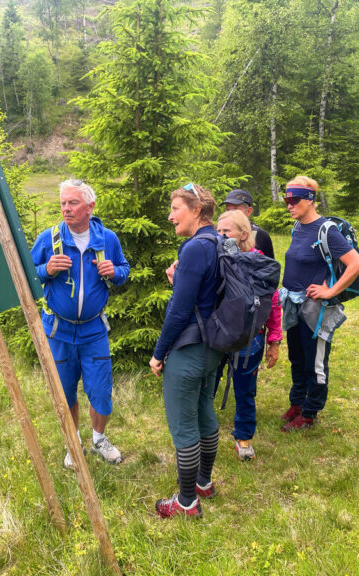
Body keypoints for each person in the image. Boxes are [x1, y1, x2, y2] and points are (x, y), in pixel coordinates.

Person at [31, 179, 130, 468]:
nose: (66, 208)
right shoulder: (49, 239)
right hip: (58, 331)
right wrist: (46, 269)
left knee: (100, 391)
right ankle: (73, 444)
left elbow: (124, 269)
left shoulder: (107, 239)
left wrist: (115, 272)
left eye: (72, 203)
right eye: (63, 203)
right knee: (65, 392)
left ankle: (99, 440)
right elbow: (25, 273)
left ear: (90, 207)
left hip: (93, 330)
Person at [150, 183, 223, 519]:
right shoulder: (219, 241)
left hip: (190, 348)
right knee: (205, 410)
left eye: (175, 208)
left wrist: (159, 353)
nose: (170, 216)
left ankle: (186, 503)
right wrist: (178, 281)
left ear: (196, 210)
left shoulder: (194, 248)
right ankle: (203, 483)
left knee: (184, 425)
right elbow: (205, 296)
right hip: (214, 347)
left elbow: (179, 311)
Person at [279, 176, 359, 431]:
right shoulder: (298, 227)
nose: (289, 205)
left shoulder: (326, 230)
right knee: (296, 357)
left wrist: (330, 291)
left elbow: (356, 264)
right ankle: (297, 403)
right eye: (286, 200)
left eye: (294, 200)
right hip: (294, 304)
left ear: (310, 200)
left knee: (314, 362)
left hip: (314, 309)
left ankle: (309, 413)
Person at [215, 210, 282, 460]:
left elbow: (273, 303)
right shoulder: (215, 258)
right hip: (218, 335)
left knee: (245, 390)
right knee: (208, 383)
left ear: (244, 234)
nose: (221, 236)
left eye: (227, 231)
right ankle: (201, 431)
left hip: (249, 338)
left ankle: (243, 437)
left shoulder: (260, 263)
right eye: (218, 231)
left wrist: (274, 341)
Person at [223, 188, 274, 259]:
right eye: (228, 210)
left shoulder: (260, 236)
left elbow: (270, 265)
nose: (230, 214)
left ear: (249, 211)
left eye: (235, 209)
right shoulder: (221, 233)